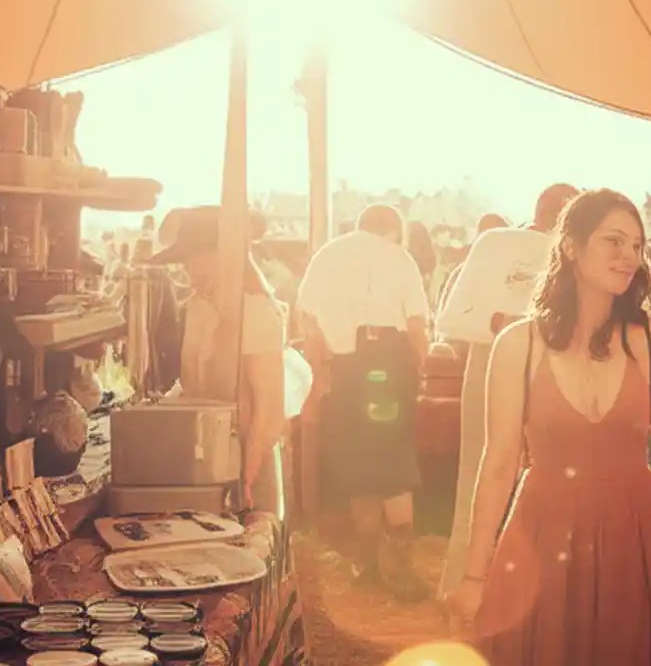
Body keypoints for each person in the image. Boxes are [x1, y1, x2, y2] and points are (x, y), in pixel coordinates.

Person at [447, 189, 651, 664]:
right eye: (614, 241)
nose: (629, 255)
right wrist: (473, 574)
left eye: (636, 245)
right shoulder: (517, 344)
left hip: (631, 530)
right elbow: (499, 464)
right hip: (541, 532)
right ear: (570, 245)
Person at [436, 184, 579, 600]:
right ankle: (519, 593)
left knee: (482, 474)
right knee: (514, 476)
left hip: (509, 363)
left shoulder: (494, 244)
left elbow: (453, 318)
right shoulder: (504, 245)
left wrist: (507, 321)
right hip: (533, 365)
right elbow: (457, 318)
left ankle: (467, 587)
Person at [297, 204, 430, 599]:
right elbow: (418, 325)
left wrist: (321, 371)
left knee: (357, 461)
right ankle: (400, 569)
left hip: (343, 366)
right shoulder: (397, 256)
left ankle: (368, 565)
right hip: (387, 360)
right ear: (393, 231)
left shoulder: (327, 254)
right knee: (394, 459)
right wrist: (418, 373)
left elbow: (307, 320)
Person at [147, 206, 287, 514]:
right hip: (204, 458)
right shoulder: (196, 307)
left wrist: (247, 475)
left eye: (202, 256)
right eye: (187, 259)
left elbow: (269, 409)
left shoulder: (255, 310)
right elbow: (191, 384)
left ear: (230, 256)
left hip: (248, 462)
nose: (192, 268)